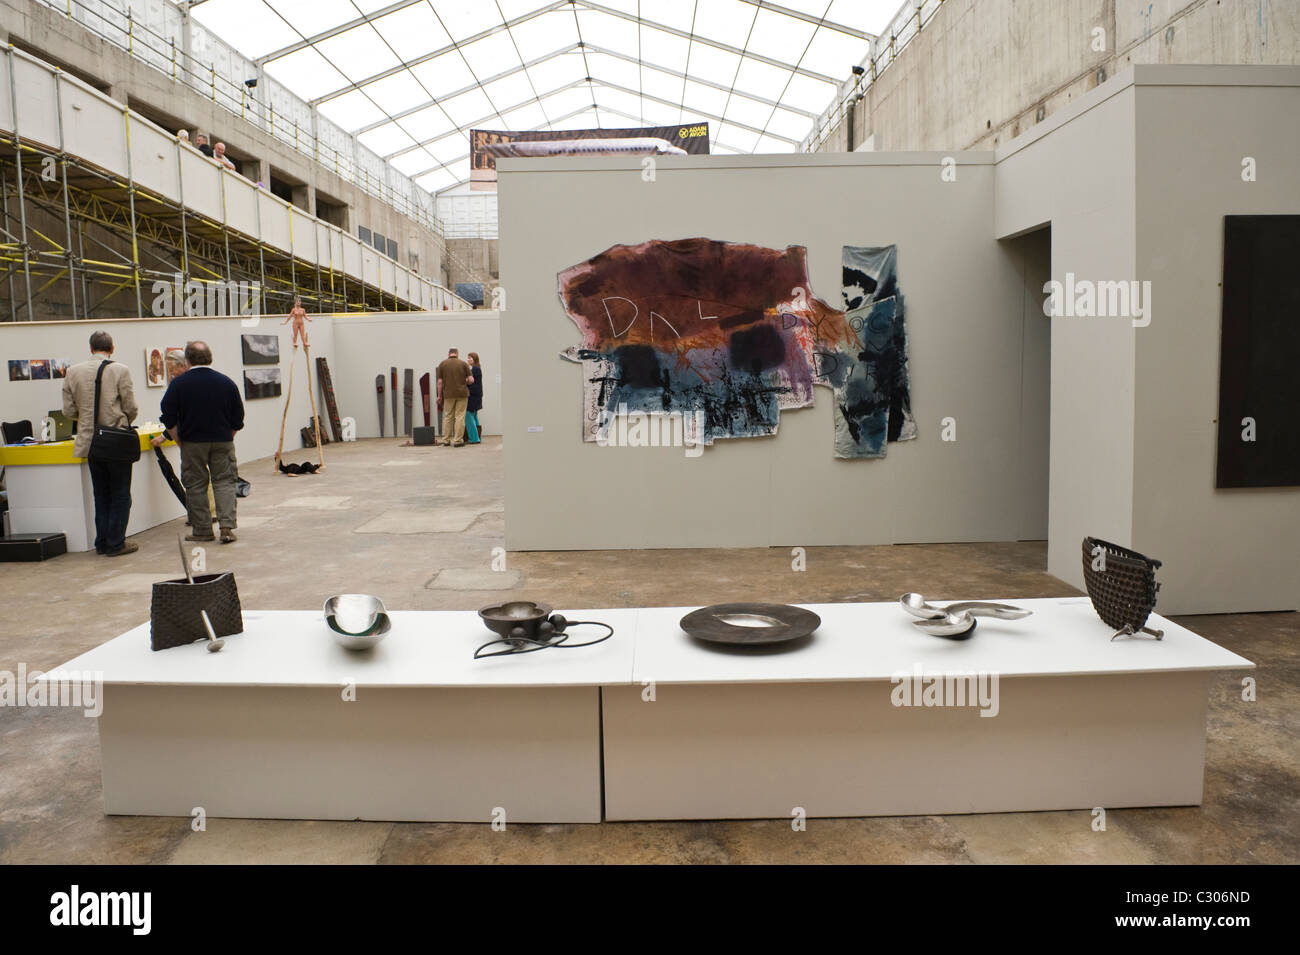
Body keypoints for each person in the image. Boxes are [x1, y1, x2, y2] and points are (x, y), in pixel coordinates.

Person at [157, 341, 244, 544]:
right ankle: (226, 527)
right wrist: (228, 436)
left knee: (196, 485)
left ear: (187, 360)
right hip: (222, 440)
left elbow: (168, 415)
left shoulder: (178, 384)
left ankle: (203, 530)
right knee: (224, 482)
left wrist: (178, 439)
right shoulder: (226, 382)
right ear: (210, 357)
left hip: (192, 442)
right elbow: (238, 417)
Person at [62, 331, 139, 556]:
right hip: (116, 440)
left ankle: (102, 542)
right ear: (111, 348)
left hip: (90, 441)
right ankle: (116, 543)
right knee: (121, 493)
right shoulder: (120, 369)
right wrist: (121, 422)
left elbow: (68, 411)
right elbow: (131, 406)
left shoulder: (72, 371)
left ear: (90, 348)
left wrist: (86, 420)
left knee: (101, 494)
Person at [435, 347, 470, 447]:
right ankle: (458, 440)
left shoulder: (443, 364)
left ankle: (446, 440)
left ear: (449, 353)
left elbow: (440, 382)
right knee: (460, 416)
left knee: (448, 416)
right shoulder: (463, 364)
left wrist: (439, 396)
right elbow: (471, 380)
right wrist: (464, 381)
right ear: (457, 353)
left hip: (448, 395)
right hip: (462, 394)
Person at [466, 351, 484, 444]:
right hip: (476, 396)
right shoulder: (476, 368)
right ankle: (477, 437)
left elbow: (473, 384)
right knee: (474, 416)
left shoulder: (475, 369)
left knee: (468, 416)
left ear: (475, 359)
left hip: (473, 396)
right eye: (468, 357)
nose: (468, 359)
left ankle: (474, 438)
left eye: (470, 358)